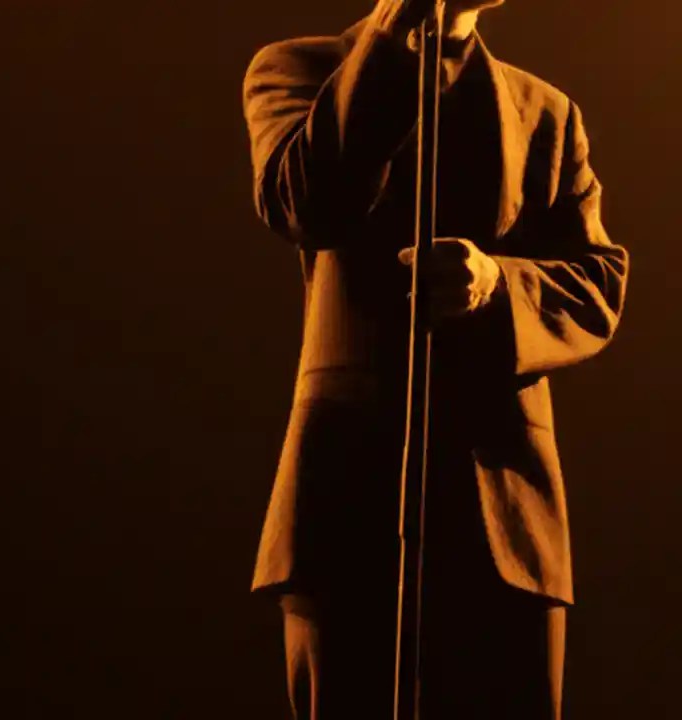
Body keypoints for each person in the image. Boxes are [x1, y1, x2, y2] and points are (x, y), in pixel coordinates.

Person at [242, 0, 629, 716]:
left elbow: (597, 288)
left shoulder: (546, 111)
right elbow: (307, 202)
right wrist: (397, 32)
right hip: (347, 504)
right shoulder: (297, 69)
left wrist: (496, 285)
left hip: (507, 520)